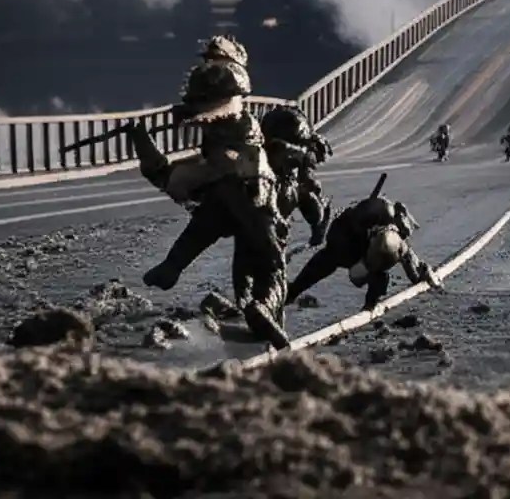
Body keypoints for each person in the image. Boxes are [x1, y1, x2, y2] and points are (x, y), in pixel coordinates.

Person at [131, 36, 291, 349]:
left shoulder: (214, 87)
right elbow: (227, 107)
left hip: (223, 181)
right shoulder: (230, 84)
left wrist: (191, 116)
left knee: (202, 226)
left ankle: (174, 264)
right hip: (248, 183)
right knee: (269, 261)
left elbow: (223, 109)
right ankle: (263, 307)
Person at [285, 193, 440, 312]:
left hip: (366, 246)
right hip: (350, 240)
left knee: (377, 277)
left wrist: (422, 274)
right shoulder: (346, 239)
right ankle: (291, 293)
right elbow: (320, 262)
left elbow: (411, 262)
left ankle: (370, 304)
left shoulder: (396, 248)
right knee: (323, 263)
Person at [261, 105, 334, 246]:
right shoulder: (268, 136)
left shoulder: (305, 144)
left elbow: (316, 158)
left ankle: (320, 217)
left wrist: (304, 159)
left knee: (308, 200)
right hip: (275, 174)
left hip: (295, 176)